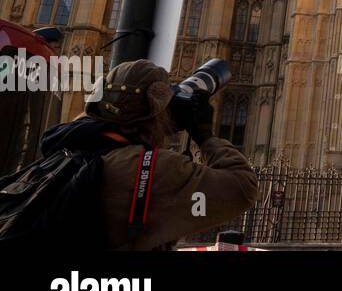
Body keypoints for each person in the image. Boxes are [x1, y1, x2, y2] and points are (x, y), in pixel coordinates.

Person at [23, 59, 257, 250]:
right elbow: (243, 187)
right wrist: (204, 134)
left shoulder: (62, 151)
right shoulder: (149, 168)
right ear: (155, 111)